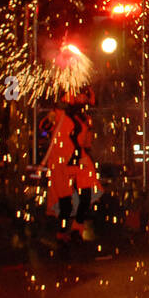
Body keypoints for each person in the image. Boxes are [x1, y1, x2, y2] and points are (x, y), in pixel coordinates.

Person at [43, 89, 102, 243]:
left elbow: (86, 142)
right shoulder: (59, 114)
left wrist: (85, 154)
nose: (83, 99)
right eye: (80, 96)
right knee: (65, 201)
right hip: (62, 160)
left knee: (86, 194)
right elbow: (45, 127)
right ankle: (62, 233)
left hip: (80, 159)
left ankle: (77, 227)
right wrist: (50, 119)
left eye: (85, 97)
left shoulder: (85, 118)